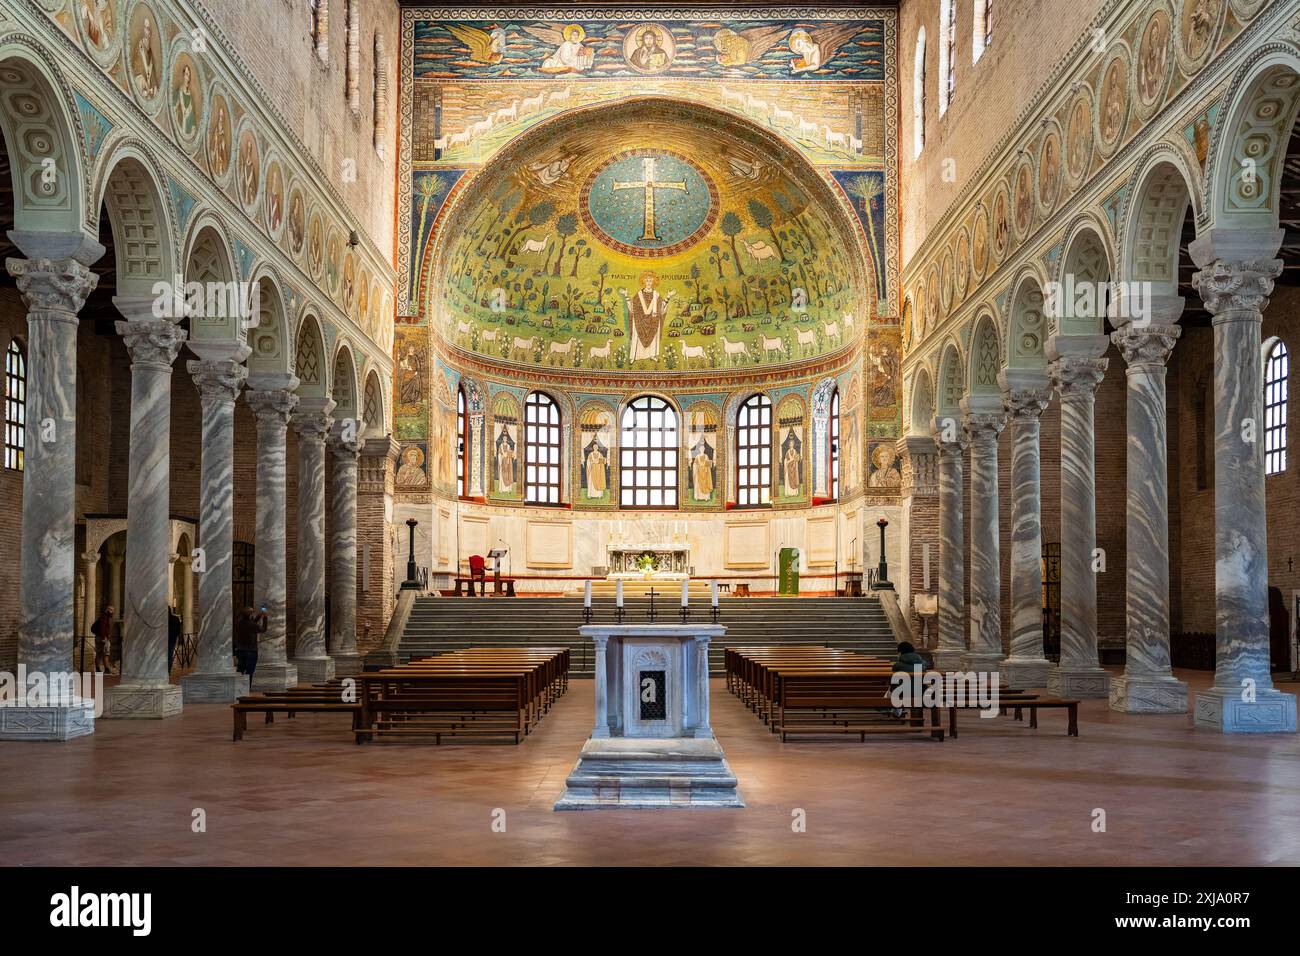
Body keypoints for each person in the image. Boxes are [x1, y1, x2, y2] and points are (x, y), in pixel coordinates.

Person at [892, 641, 927, 717]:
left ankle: (897, 708)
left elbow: (894, 681)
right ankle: (917, 717)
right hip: (921, 692)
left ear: (901, 652)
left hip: (902, 692)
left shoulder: (897, 666)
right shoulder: (923, 665)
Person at [234, 606, 267, 683]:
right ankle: (247, 687)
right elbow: (263, 629)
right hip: (251, 651)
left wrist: (259, 616)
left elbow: (251, 623)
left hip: (240, 650)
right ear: (251, 615)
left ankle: (239, 687)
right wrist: (265, 617)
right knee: (249, 672)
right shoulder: (253, 625)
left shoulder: (239, 623)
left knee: (240, 670)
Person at [92, 604, 114, 674]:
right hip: (103, 638)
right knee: (106, 653)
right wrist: (104, 638)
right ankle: (106, 669)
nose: (112, 612)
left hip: (99, 637)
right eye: (111, 610)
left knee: (99, 653)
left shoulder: (104, 617)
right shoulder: (104, 617)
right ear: (107, 610)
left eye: (113, 610)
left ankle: (98, 668)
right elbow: (102, 627)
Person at [167, 607, 182, 674]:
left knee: (166, 655)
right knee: (170, 655)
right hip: (172, 639)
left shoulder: (163, 619)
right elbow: (179, 630)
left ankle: (165, 670)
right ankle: (168, 670)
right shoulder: (176, 619)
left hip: (166, 640)